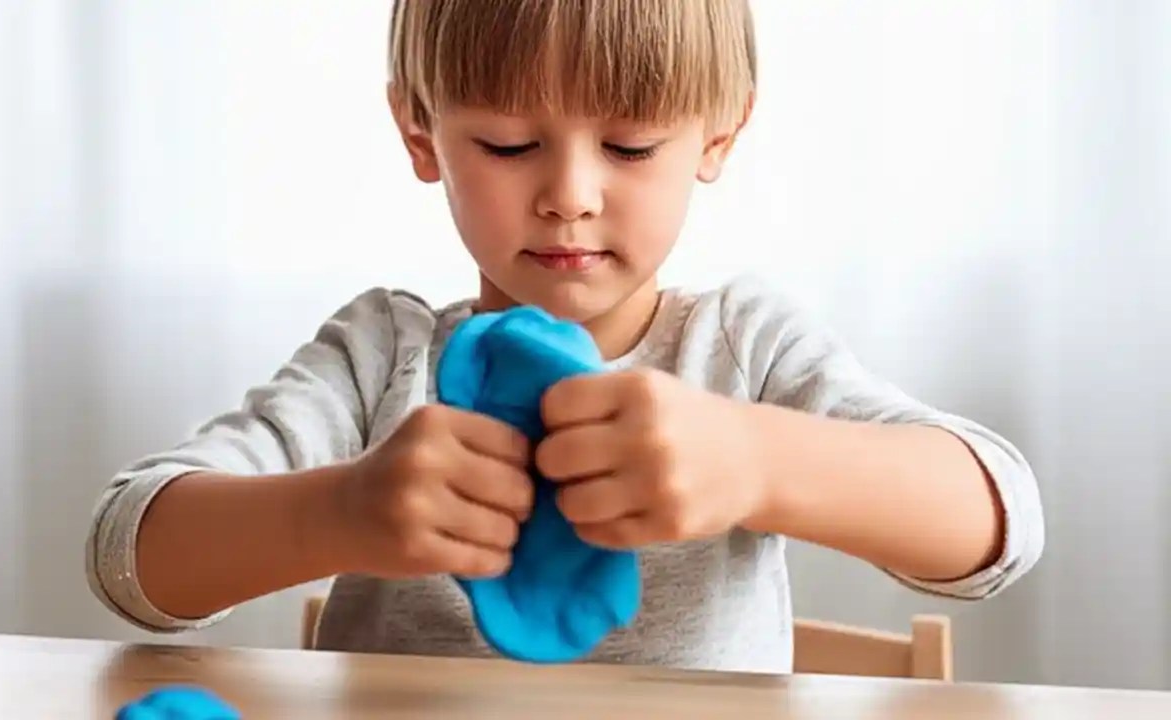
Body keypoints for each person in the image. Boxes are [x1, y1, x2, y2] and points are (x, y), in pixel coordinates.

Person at [86, 0, 1044, 673]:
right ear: (420, 132)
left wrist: (759, 460)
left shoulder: (742, 351)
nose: (571, 196)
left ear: (718, 137)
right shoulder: (383, 356)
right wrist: (339, 513)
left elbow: (999, 524)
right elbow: (130, 556)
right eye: (507, 144)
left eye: (629, 147)